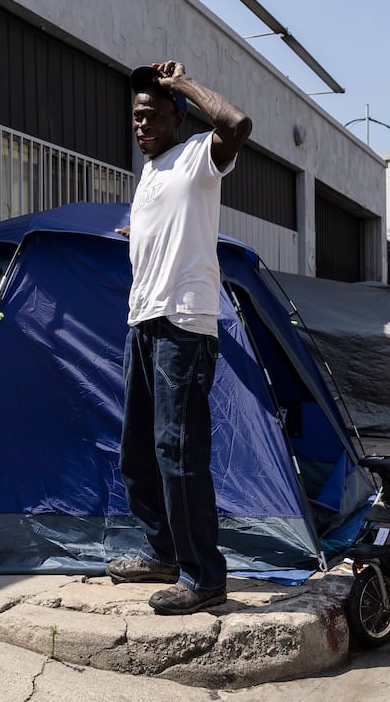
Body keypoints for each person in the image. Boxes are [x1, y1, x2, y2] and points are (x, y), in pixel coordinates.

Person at [107, 60, 252, 616]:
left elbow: (238, 125)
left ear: (177, 119)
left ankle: (204, 576)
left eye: (153, 115)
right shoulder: (151, 173)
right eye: (137, 117)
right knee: (137, 454)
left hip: (182, 328)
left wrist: (184, 84)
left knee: (180, 455)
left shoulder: (197, 158)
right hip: (142, 324)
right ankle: (166, 553)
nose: (142, 125)